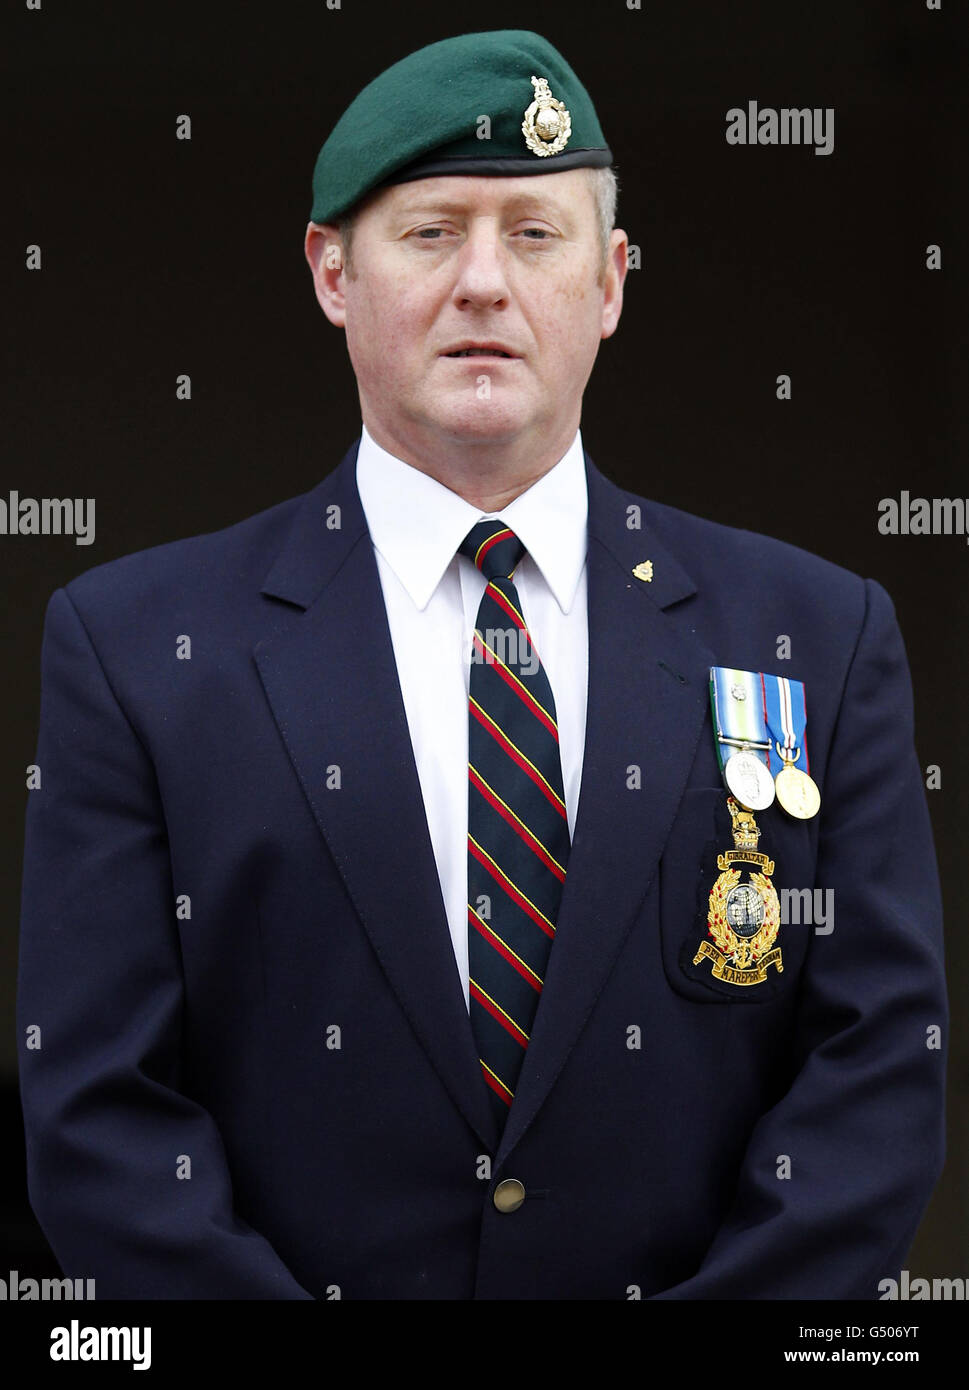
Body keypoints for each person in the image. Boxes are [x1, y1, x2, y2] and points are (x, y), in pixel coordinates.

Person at [18, 29, 946, 1300]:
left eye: (535, 232)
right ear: (331, 271)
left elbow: (878, 1074)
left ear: (612, 283)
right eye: (431, 230)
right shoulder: (134, 651)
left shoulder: (814, 636)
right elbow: (98, 1113)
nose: (484, 283)